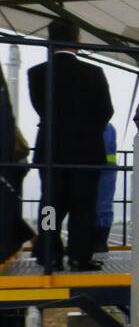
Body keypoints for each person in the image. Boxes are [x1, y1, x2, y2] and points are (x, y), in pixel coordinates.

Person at [27, 19, 113, 271]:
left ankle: (50, 253)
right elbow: (105, 111)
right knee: (83, 206)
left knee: (50, 204)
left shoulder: (37, 73)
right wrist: (86, 132)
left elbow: (41, 108)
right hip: (86, 152)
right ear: (77, 40)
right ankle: (79, 256)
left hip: (51, 148)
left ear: (50, 40)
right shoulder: (93, 73)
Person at [0, 63, 33, 263]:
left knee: (52, 205)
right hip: (18, 163)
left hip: (47, 162)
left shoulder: (38, 73)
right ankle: (48, 242)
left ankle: (48, 242)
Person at [95, 123, 117, 253]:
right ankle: (100, 242)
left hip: (101, 170)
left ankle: (48, 241)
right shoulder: (108, 128)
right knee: (103, 206)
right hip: (107, 170)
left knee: (51, 204)